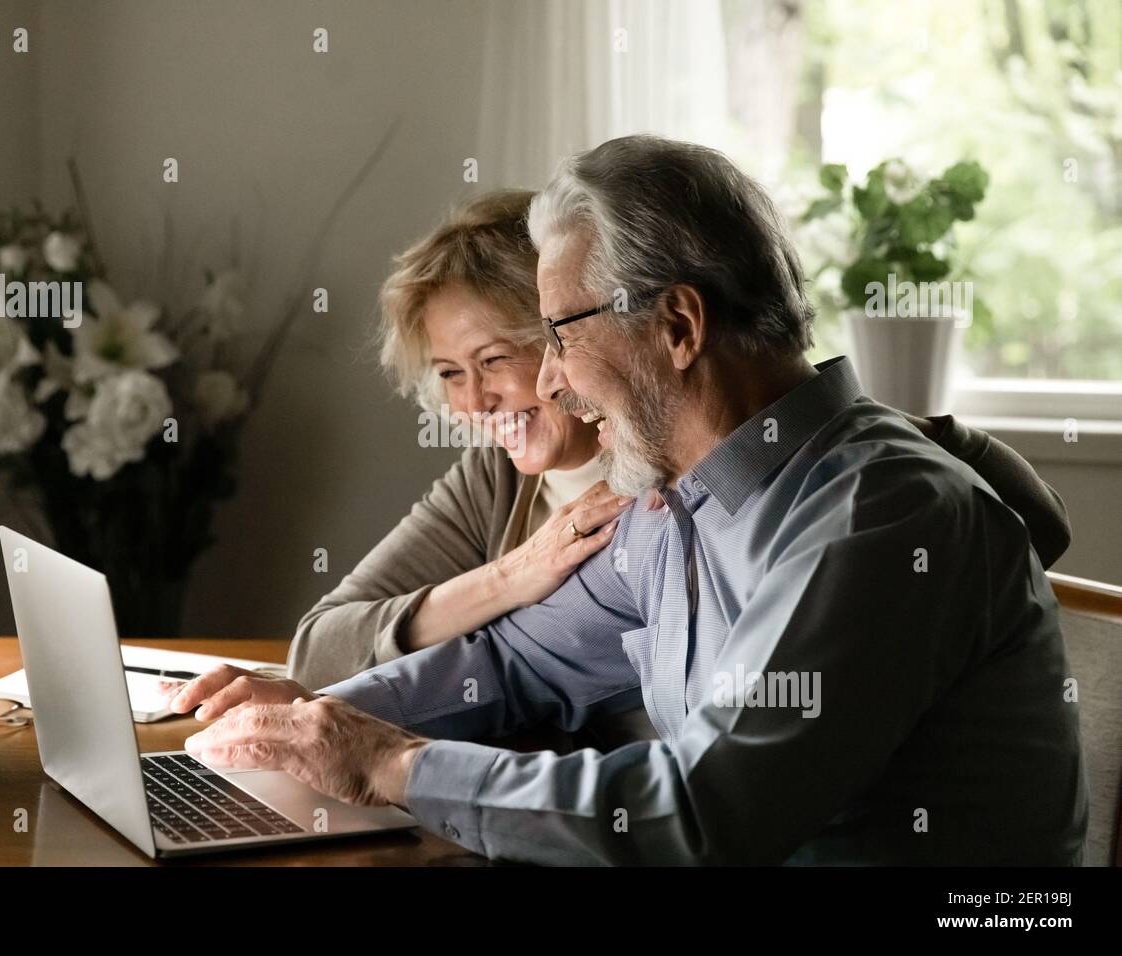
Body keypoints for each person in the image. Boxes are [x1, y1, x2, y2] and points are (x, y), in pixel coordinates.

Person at [168, 138, 1086, 865]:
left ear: (679, 326)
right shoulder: (673, 505)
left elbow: (703, 815)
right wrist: (287, 731)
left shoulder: (879, 518)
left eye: (559, 334)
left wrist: (391, 764)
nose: (554, 380)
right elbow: (514, 665)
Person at [284, 191, 1072, 714]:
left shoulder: (730, 471)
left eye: (494, 360)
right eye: (450, 375)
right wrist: (515, 575)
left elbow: (1022, 526)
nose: (470, 402)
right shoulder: (501, 479)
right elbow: (325, 648)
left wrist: (885, 447)